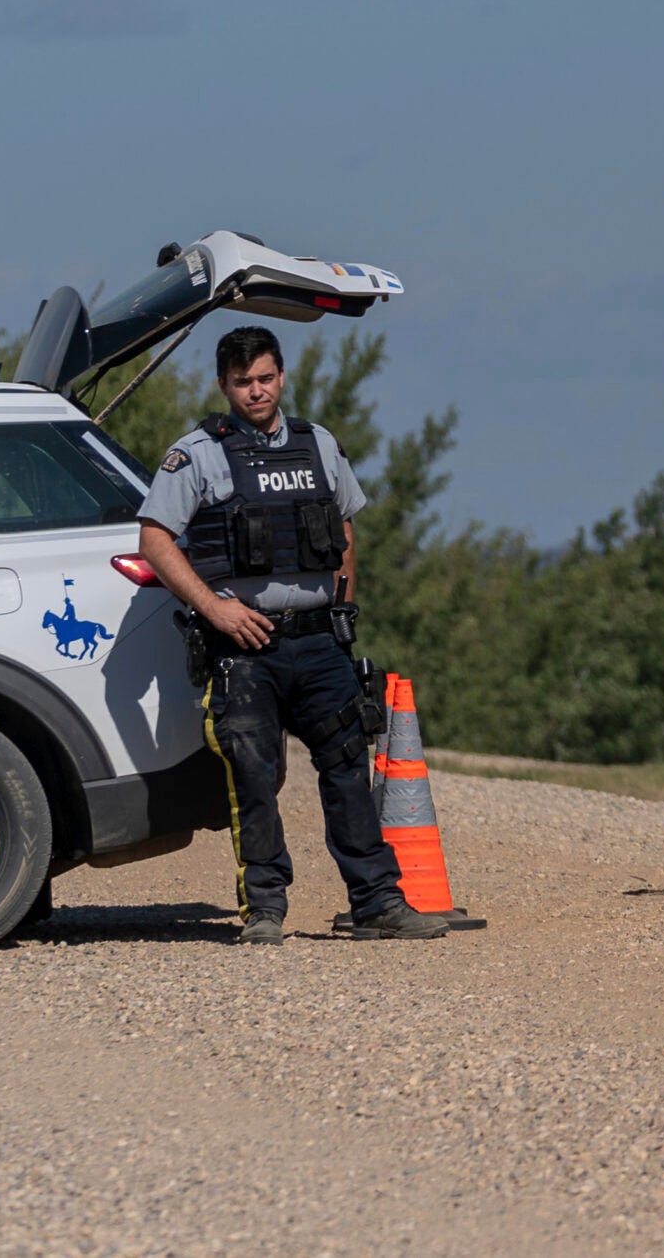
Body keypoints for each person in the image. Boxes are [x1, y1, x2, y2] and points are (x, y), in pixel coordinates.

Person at [137, 325, 446, 945]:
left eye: (266, 378)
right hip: (245, 648)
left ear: (282, 376)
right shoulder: (197, 453)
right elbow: (153, 540)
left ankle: (377, 903)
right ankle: (266, 910)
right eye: (243, 381)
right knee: (253, 775)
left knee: (346, 769)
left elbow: (346, 527)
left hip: (318, 643)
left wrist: (342, 606)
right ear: (223, 384)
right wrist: (215, 611)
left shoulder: (318, 444)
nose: (257, 391)